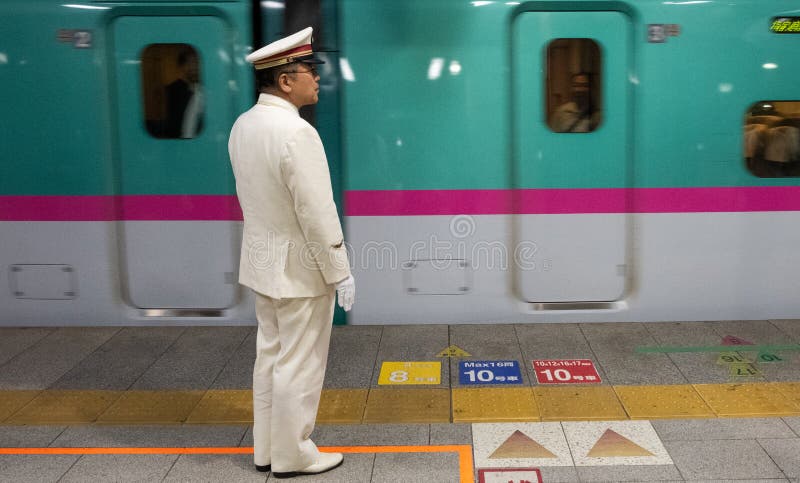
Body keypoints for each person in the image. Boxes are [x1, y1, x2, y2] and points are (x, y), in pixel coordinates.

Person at [227, 27, 355, 478]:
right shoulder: (297, 133)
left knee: (271, 358)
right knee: (300, 364)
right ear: (285, 81)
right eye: (309, 71)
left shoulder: (244, 125)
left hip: (263, 264)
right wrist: (340, 271)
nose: (317, 79)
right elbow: (317, 212)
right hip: (300, 270)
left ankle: (266, 450)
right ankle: (294, 455)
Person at [165, 48, 204, 138]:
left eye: (197, 63)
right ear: (182, 66)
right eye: (191, 63)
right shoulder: (174, 89)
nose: (195, 67)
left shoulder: (201, 88)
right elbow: (173, 121)